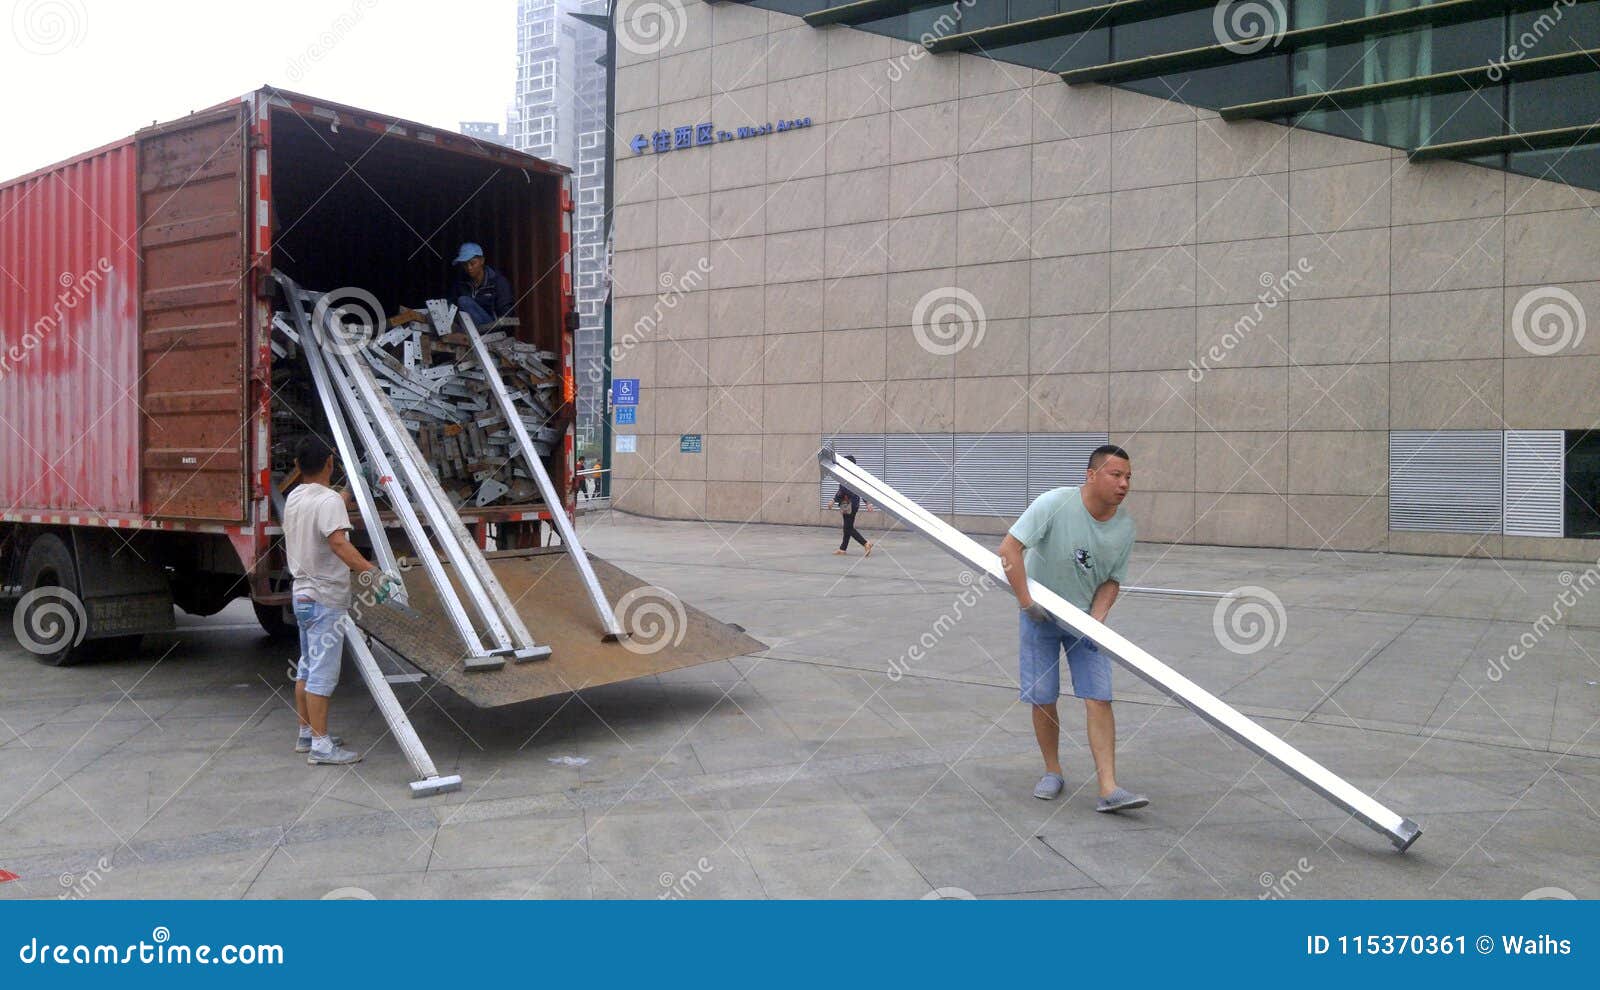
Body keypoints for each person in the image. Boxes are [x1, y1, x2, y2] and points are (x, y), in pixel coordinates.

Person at [998, 444, 1146, 812]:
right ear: (1091, 475)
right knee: (1043, 696)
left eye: (1128, 477)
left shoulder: (1124, 526)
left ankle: (1109, 788)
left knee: (1099, 695)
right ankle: (1053, 771)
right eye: (1116, 475)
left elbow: (1112, 580)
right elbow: (1009, 550)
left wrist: (1096, 619)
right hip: (1040, 614)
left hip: (1083, 619)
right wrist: (1026, 603)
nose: (1124, 484)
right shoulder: (1054, 504)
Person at [283, 435, 396, 766]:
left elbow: (332, 505)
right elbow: (338, 542)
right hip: (324, 598)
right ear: (330, 464)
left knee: (307, 665)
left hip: (302, 595)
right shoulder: (327, 500)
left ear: (298, 466)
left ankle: (307, 735)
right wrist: (372, 572)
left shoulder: (296, 497)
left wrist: (355, 483)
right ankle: (321, 747)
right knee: (322, 673)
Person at [450, 241, 514, 327]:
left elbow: (506, 313)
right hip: (469, 328)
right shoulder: (462, 284)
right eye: (465, 264)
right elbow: (452, 305)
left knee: (464, 301)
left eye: (472, 263)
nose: (469, 267)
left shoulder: (498, 282)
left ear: (482, 261)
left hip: (491, 327)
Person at [829, 455, 873, 556]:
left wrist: (833, 500)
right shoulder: (854, 475)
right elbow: (861, 490)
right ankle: (843, 549)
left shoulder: (847, 475)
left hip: (849, 504)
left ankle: (866, 543)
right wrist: (867, 503)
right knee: (847, 527)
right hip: (851, 504)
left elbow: (842, 490)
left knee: (848, 528)